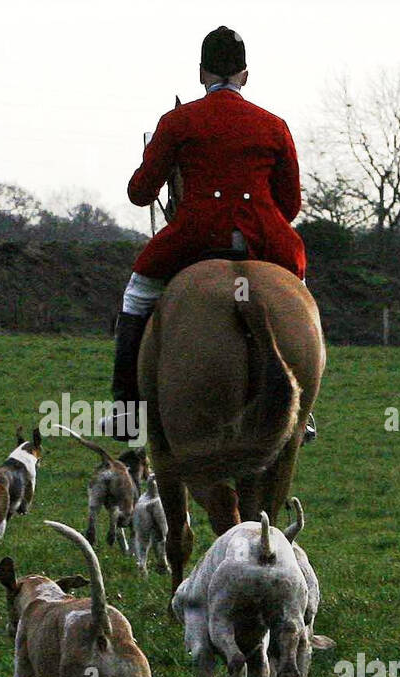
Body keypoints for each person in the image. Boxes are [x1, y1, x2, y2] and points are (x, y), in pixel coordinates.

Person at [106, 25, 311, 443]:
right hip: (266, 238)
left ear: (201, 74)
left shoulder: (178, 122)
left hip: (195, 236)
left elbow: (140, 193)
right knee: (299, 298)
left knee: (137, 293)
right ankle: (304, 409)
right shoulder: (275, 126)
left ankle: (126, 408)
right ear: (246, 75)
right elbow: (291, 205)